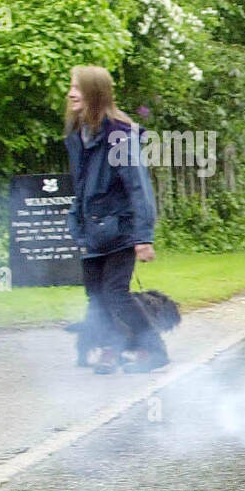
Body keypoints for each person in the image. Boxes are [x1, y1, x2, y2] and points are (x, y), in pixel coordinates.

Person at [64, 65, 167, 374]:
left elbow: (139, 187)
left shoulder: (118, 136)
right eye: (71, 87)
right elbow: (82, 186)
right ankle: (111, 348)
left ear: (95, 94)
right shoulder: (79, 135)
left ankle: (154, 350)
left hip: (119, 231)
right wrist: (77, 221)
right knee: (96, 297)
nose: (70, 93)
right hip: (92, 231)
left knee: (115, 294)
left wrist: (143, 237)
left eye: (77, 88)